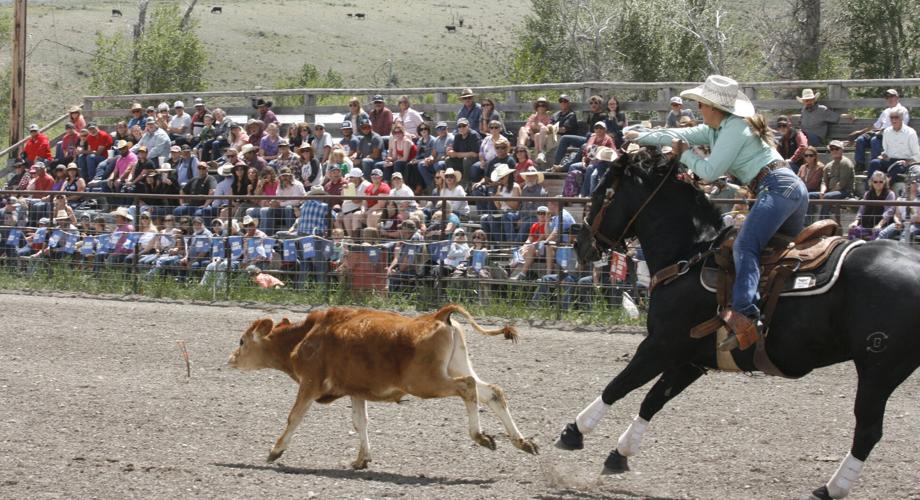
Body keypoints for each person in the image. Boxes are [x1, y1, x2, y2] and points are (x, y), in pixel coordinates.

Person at [629, 74, 807, 349]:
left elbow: (710, 171)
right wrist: (640, 135)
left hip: (776, 189)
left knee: (745, 246)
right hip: (788, 188)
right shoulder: (722, 128)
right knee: (776, 255)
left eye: (701, 104)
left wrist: (684, 155)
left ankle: (745, 316)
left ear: (713, 107)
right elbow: (680, 133)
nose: (698, 109)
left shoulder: (734, 128)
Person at [853, 89, 911, 170]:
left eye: (892, 96)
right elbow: (875, 126)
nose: (889, 99)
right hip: (879, 134)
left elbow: (902, 127)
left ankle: (875, 166)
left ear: (897, 98)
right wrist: (860, 132)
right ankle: (860, 165)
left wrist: (885, 131)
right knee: (860, 139)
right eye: (887, 97)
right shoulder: (885, 111)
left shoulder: (902, 110)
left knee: (874, 140)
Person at [552, 95, 608, 168]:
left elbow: (603, 132)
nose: (593, 105)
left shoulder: (603, 116)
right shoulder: (591, 115)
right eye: (591, 103)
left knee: (584, 146)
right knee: (564, 138)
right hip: (587, 138)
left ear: (600, 104)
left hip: (595, 140)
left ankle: (564, 167)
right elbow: (589, 129)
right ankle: (555, 165)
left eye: (596, 103)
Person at [866, 109, 920, 185]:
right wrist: (883, 155)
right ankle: (869, 191)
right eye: (891, 117)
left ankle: (885, 191)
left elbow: (917, 156)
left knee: (897, 168)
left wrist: (907, 162)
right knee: (874, 163)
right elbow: (886, 150)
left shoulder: (910, 133)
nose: (894, 120)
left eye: (896, 117)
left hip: (904, 162)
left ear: (902, 118)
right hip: (890, 160)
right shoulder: (887, 131)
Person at [849, 171, 896, 240]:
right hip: (866, 224)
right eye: (875, 182)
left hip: (881, 225)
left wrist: (879, 225)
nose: (878, 184)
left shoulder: (890, 194)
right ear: (871, 182)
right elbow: (862, 209)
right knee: (852, 230)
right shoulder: (867, 194)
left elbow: (889, 212)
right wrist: (855, 222)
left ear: (885, 182)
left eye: (881, 181)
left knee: (876, 234)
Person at [814, 140, 856, 216]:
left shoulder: (845, 163)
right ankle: (807, 221)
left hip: (845, 192)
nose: (834, 151)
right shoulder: (828, 165)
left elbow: (842, 184)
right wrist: (822, 192)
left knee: (828, 196)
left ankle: (823, 219)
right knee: (809, 195)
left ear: (842, 149)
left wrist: (827, 193)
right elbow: (824, 181)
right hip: (830, 192)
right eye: (832, 149)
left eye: (837, 149)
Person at [445, 118, 480, 189]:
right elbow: (455, 151)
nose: (461, 128)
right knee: (448, 159)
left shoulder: (474, 135)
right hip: (462, 159)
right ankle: (452, 180)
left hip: (475, 159)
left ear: (468, 126)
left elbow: (475, 154)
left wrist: (457, 154)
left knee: (466, 160)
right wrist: (449, 151)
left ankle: (465, 183)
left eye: (464, 126)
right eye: (459, 126)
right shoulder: (457, 136)